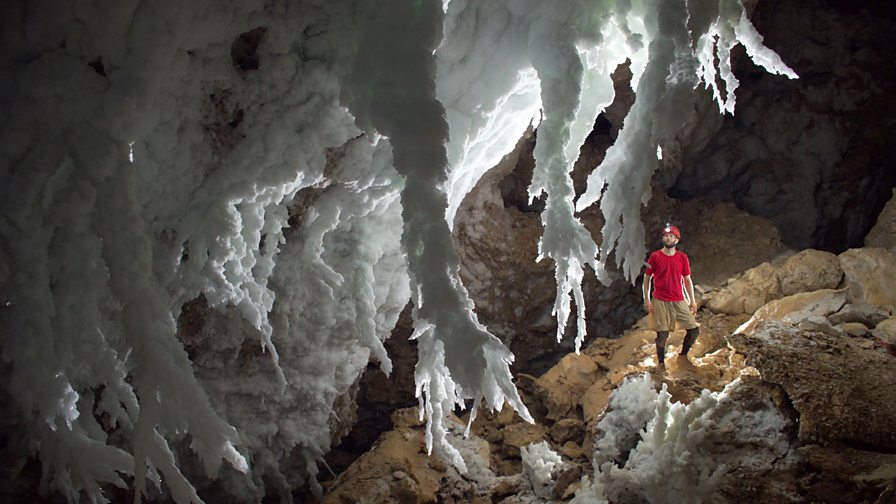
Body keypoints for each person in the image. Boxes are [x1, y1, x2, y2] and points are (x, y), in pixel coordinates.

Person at [642, 224, 699, 370]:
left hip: (678, 299)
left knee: (693, 330)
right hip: (660, 299)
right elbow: (647, 278)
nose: (669, 238)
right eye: (666, 236)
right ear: (663, 238)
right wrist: (647, 299)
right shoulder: (654, 257)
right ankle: (661, 364)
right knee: (663, 334)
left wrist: (692, 300)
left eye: (672, 236)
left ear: (677, 239)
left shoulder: (682, 257)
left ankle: (683, 356)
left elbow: (687, 280)